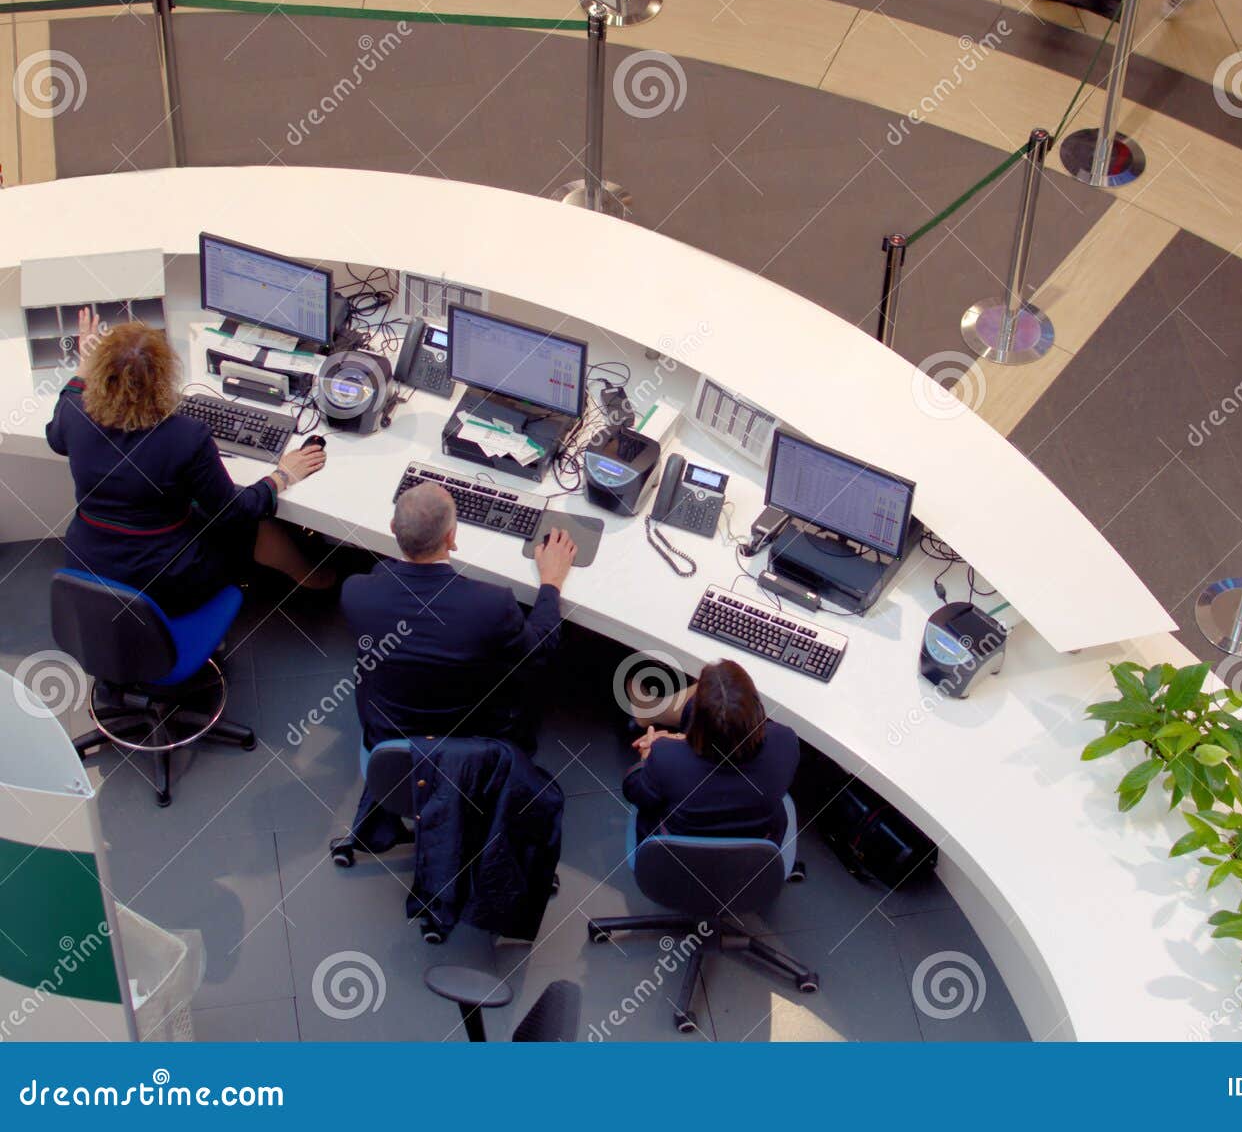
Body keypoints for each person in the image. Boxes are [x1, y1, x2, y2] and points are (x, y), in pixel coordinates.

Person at [45, 311, 330, 615]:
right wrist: (282, 476)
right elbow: (233, 512)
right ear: (163, 379)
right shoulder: (186, 436)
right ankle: (314, 579)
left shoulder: (73, 412)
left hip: (90, 565)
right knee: (254, 521)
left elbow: (56, 438)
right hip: (165, 580)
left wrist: (85, 363)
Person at [339, 481, 579, 749]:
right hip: (469, 742)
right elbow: (541, 649)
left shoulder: (356, 591)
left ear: (393, 528)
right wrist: (551, 582)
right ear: (451, 538)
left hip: (387, 737)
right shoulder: (492, 604)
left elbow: (386, 575)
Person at [623, 659, 801, 873]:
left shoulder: (664, 757)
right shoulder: (785, 742)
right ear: (757, 709)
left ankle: (653, 711)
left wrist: (647, 758)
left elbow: (635, 791)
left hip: (675, 869)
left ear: (696, 724)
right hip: (750, 871)